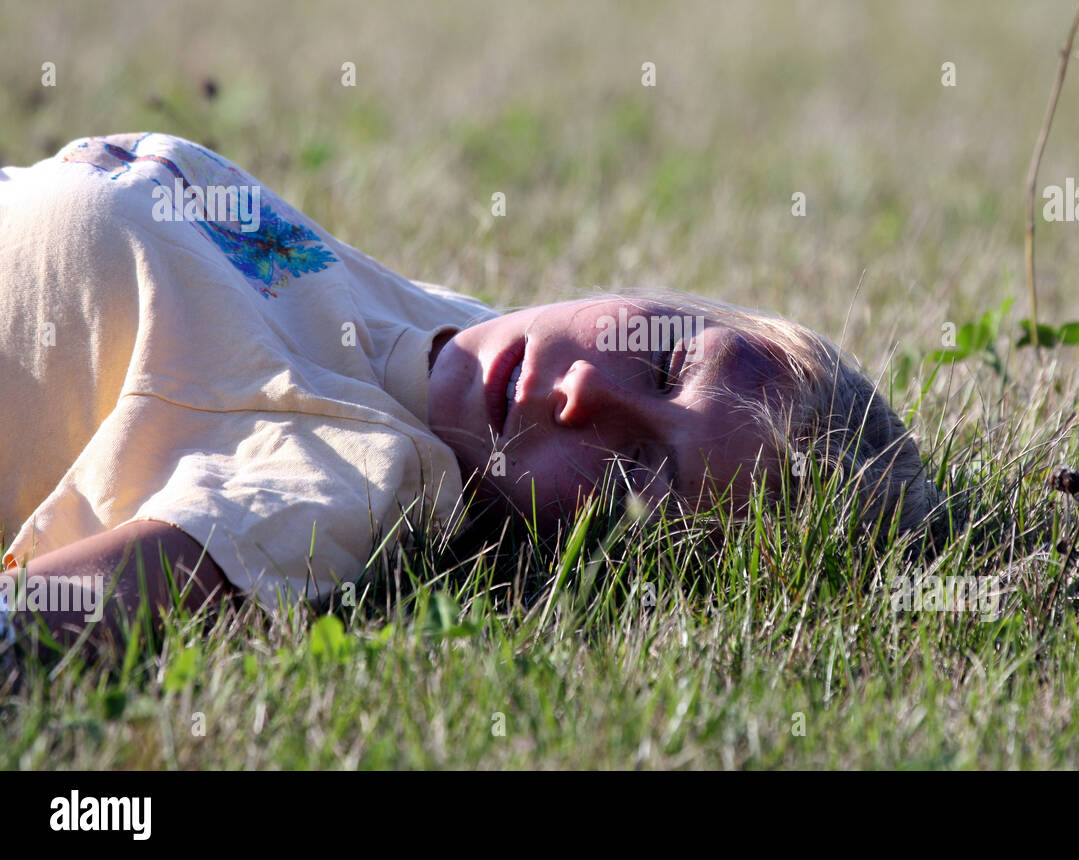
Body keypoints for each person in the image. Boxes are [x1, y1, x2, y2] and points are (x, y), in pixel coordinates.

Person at [0, 133, 942, 654]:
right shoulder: (433, 323)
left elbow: (51, 617)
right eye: (661, 363)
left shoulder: (361, 473)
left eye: (629, 477)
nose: (581, 396)